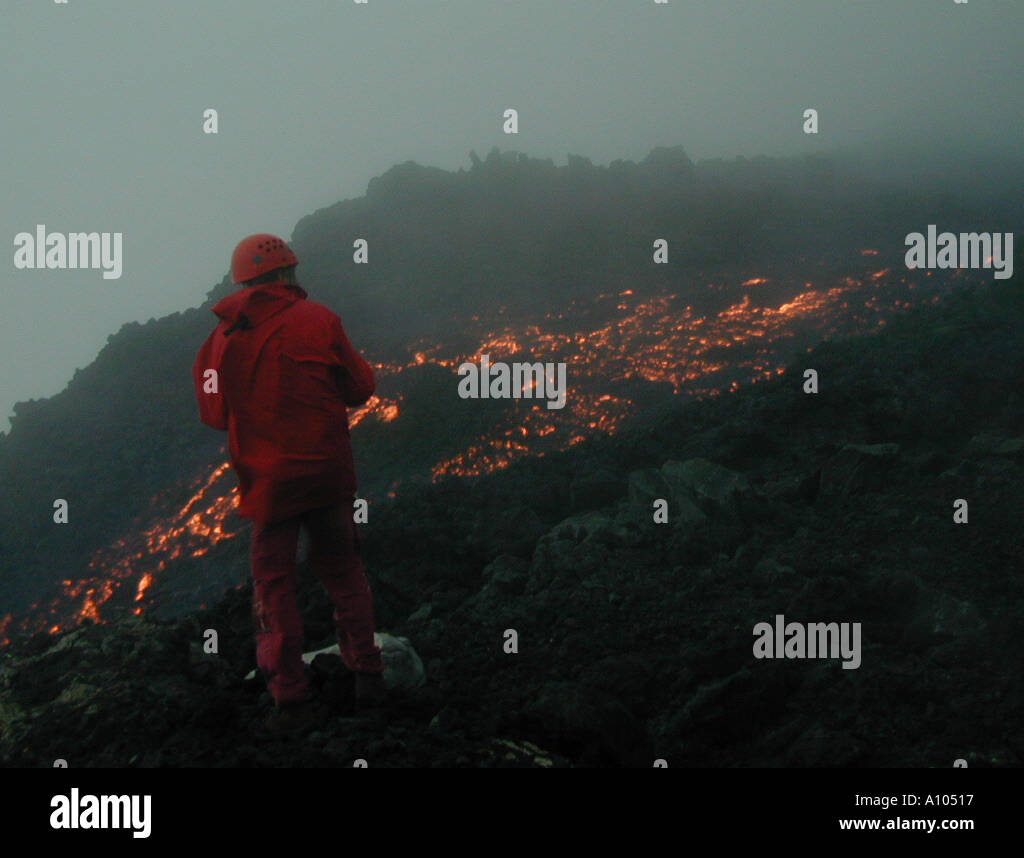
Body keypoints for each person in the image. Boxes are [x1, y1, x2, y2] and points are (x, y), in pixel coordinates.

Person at [192, 233, 386, 731]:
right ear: (287, 275)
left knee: (274, 585)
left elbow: (214, 412)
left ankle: (291, 702)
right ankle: (368, 677)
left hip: (270, 484)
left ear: (245, 280)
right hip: (327, 474)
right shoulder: (320, 319)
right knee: (344, 570)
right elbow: (361, 387)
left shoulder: (220, 340)